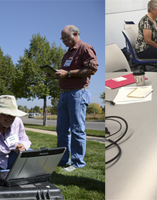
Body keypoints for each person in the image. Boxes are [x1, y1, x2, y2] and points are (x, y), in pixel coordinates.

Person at [54, 25, 98, 172]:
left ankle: (78, 162)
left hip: (78, 93)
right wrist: (57, 74)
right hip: (64, 94)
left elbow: (92, 69)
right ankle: (62, 159)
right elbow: (67, 72)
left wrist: (67, 74)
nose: (64, 41)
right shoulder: (67, 54)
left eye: (66, 38)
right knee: (61, 129)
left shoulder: (85, 48)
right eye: (62, 39)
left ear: (76, 34)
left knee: (77, 130)